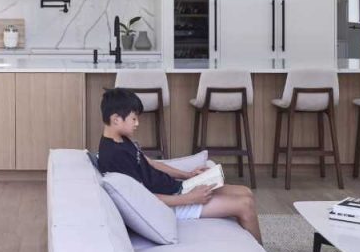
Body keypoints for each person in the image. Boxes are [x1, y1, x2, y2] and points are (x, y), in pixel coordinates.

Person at [96, 87, 262, 243]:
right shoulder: (113, 156)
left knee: (245, 192)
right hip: (172, 205)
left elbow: (151, 163)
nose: (137, 123)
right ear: (116, 119)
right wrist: (189, 199)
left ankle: (249, 247)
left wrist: (187, 175)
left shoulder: (122, 140)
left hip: (177, 189)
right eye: (134, 118)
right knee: (245, 205)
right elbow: (142, 198)